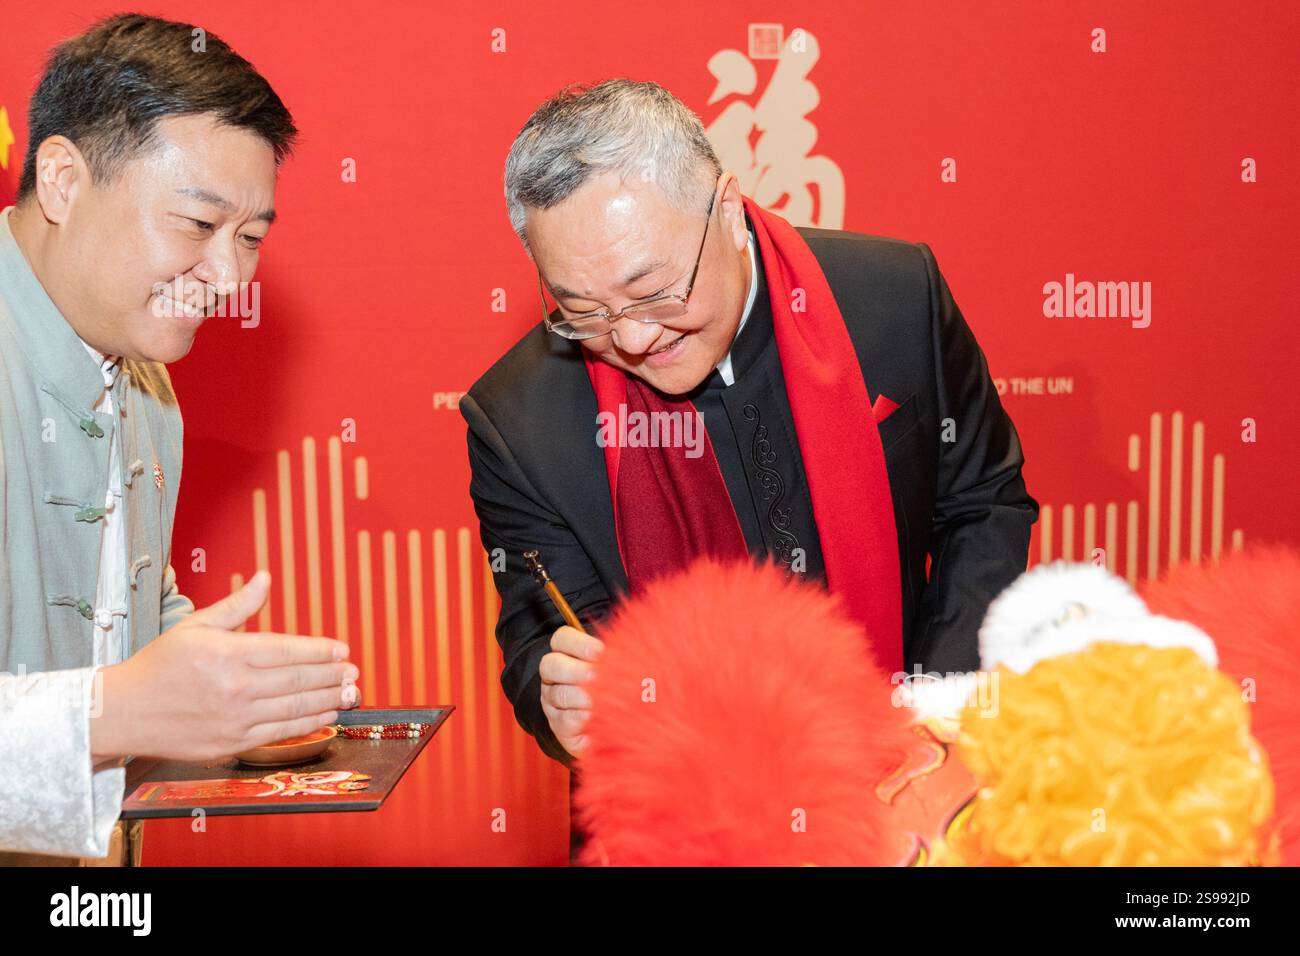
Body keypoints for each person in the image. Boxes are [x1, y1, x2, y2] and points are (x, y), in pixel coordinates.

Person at [460, 79, 1038, 855]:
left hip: (924, 788)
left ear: (727, 209)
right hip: (679, 824)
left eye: (653, 290)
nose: (631, 338)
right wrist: (557, 705)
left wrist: (930, 713)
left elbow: (984, 503)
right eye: (581, 310)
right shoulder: (520, 418)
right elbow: (539, 638)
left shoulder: (893, 299)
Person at [0, 14, 358, 865]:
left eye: (252, 239)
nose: (232, 280)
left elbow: (128, 618)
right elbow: (113, 695)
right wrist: (122, 709)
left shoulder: (149, 385)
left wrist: (223, 695)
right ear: (60, 180)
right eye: (199, 226)